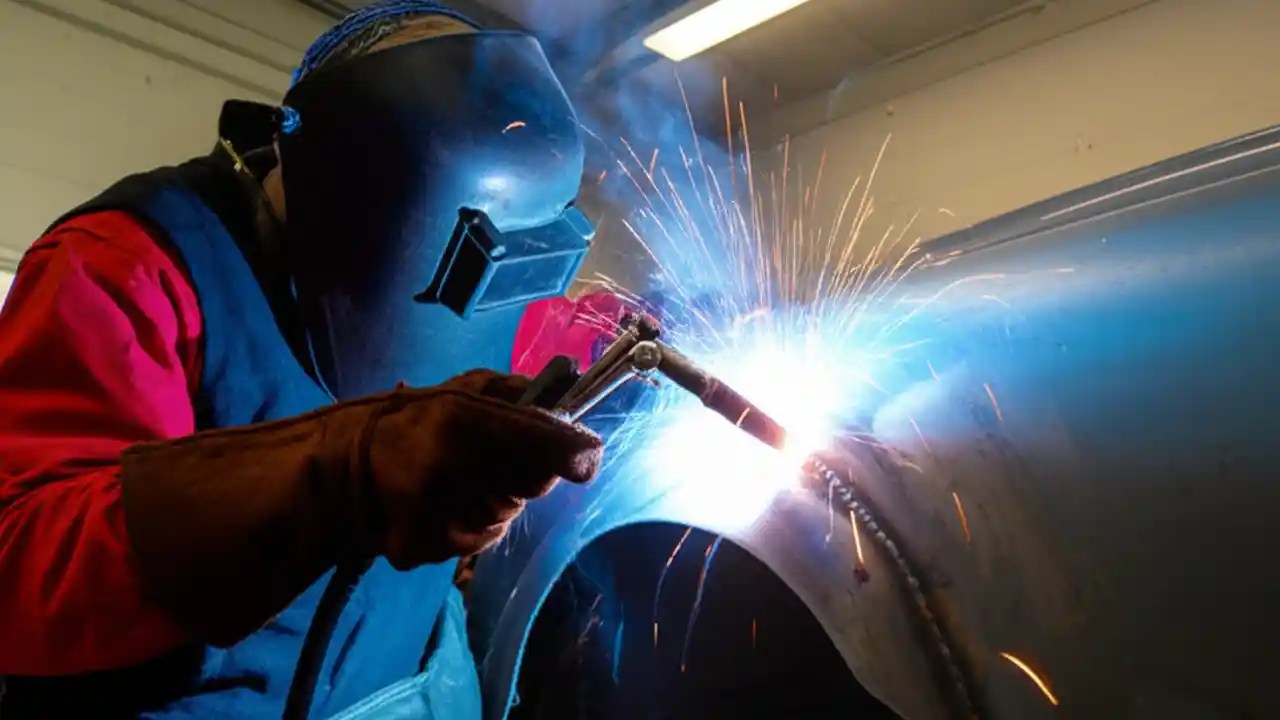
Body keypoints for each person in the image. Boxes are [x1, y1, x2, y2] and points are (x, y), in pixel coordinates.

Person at [0, 2, 624, 717]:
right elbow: (20, 574)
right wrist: (335, 474)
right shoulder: (130, 266)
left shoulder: (500, 267)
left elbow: (574, 335)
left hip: (409, 687)